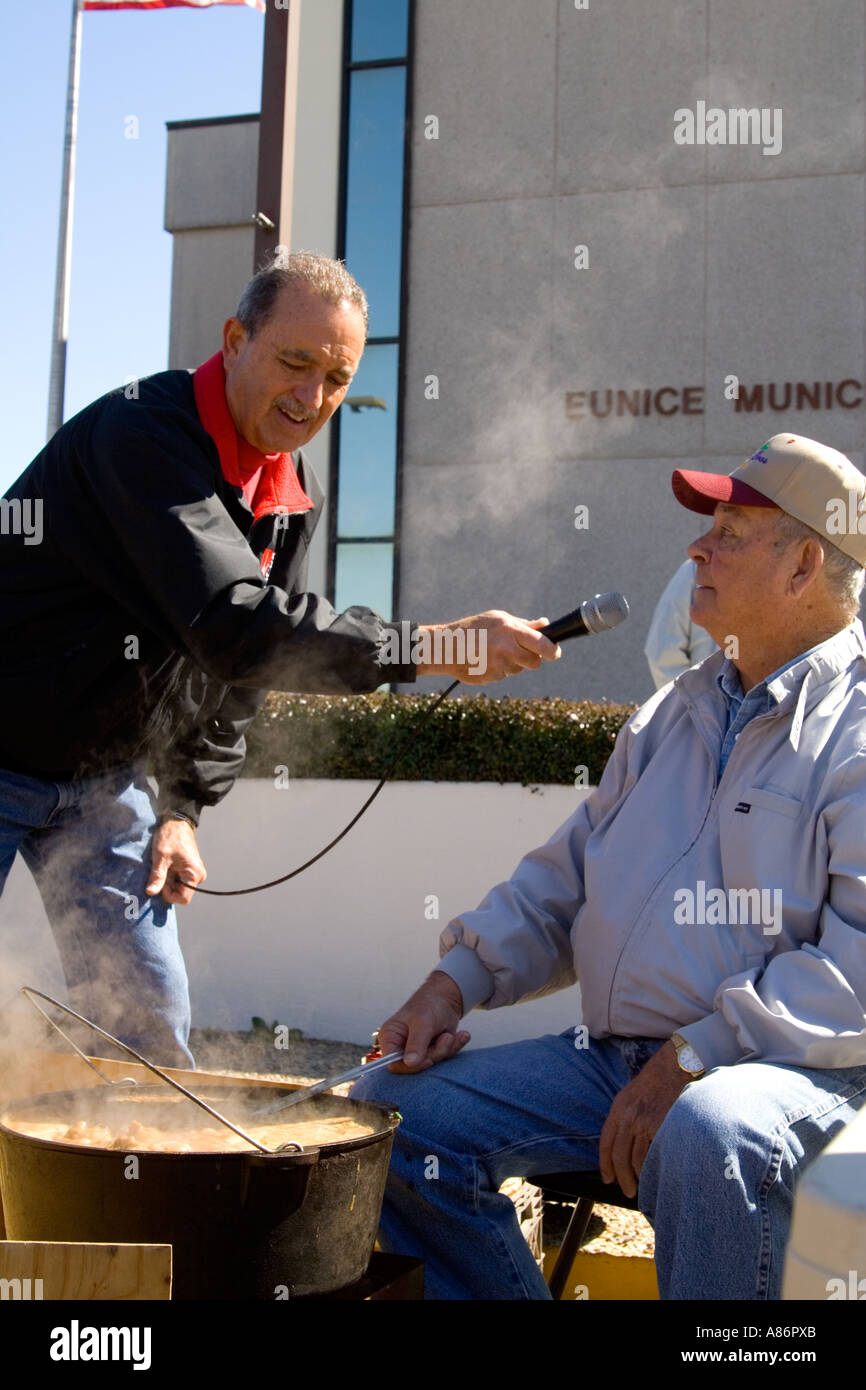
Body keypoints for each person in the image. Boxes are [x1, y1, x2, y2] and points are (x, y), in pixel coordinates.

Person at [0, 252, 559, 1065]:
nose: (312, 398)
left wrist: (184, 806)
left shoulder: (293, 493)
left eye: (336, 379)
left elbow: (245, 672)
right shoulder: (140, 434)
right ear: (234, 340)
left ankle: (143, 1187)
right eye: (295, 363)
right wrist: (433, 646)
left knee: (148, 1022)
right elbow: (236, 622)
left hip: (104, 779)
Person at [352, 432, 866, 1300]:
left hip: (796, 1074)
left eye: (730, 532)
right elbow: (567, 879)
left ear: (803, 564)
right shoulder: (675, 711)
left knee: (709, 1132)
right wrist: (452, 982)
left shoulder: (854, 730)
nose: (697, 546)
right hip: (619, 1060)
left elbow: (854, 974)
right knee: (390, 1116)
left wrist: (696, 1056)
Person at [644, 558, 718, 688]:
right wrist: (691, 700)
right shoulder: (695, 570)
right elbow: (663, 652)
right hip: (703, 700)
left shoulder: (762, 572)